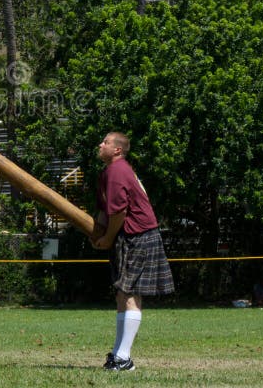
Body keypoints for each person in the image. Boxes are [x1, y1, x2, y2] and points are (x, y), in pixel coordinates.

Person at [91, 132, 174, 372]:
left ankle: (123, 358)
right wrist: (97, 234)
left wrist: (106, 237)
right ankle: (118, 355)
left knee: (129, 295)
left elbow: (119, 213)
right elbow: (104, 211)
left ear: (117, 150)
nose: (100, 144)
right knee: (122, 295)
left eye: (105, 142)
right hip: (128, 236)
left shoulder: (118, 171)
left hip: (138, 236)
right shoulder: (109, 172)